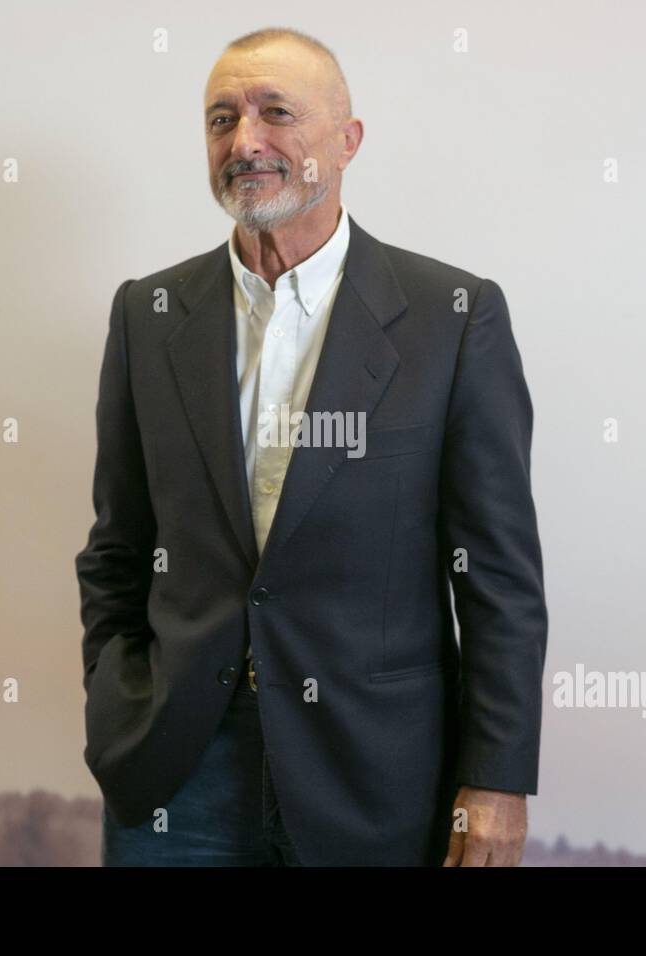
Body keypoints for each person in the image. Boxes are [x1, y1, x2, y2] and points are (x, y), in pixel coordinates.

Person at [76, 27, 547, 866]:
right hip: (177, 775)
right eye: (222, 119)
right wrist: (117, 705)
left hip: (374, 777)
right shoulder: (146, 316)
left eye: (275, 113)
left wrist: (497, 781)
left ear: (347, 141)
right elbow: (118, 548)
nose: (244, 140)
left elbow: (500, 582)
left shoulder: (454, 317)